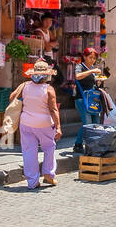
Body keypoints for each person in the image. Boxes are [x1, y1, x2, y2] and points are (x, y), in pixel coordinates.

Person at [9, 58, 61, 188]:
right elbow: (54, 110)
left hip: (26, 123)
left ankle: (32, 182)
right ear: (47, 75)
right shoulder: (49, 89)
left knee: (29, 151)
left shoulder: (25, 86)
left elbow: (11, 98)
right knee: (49, 147)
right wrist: (58, 127)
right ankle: (48, 174)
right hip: (45, 124)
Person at [73, 46, 108, 154]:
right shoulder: (80, 66)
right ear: (84, 57)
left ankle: (92, 145)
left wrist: (98, 82)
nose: (92, 60)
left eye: (94, 58)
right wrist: (92, 70)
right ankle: (78, 144)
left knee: (95, 122)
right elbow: (77, 76)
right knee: (87, 123)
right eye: (90, 57)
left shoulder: (92, 69)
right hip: (81, 99)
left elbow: (92, 84)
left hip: (92, 99)